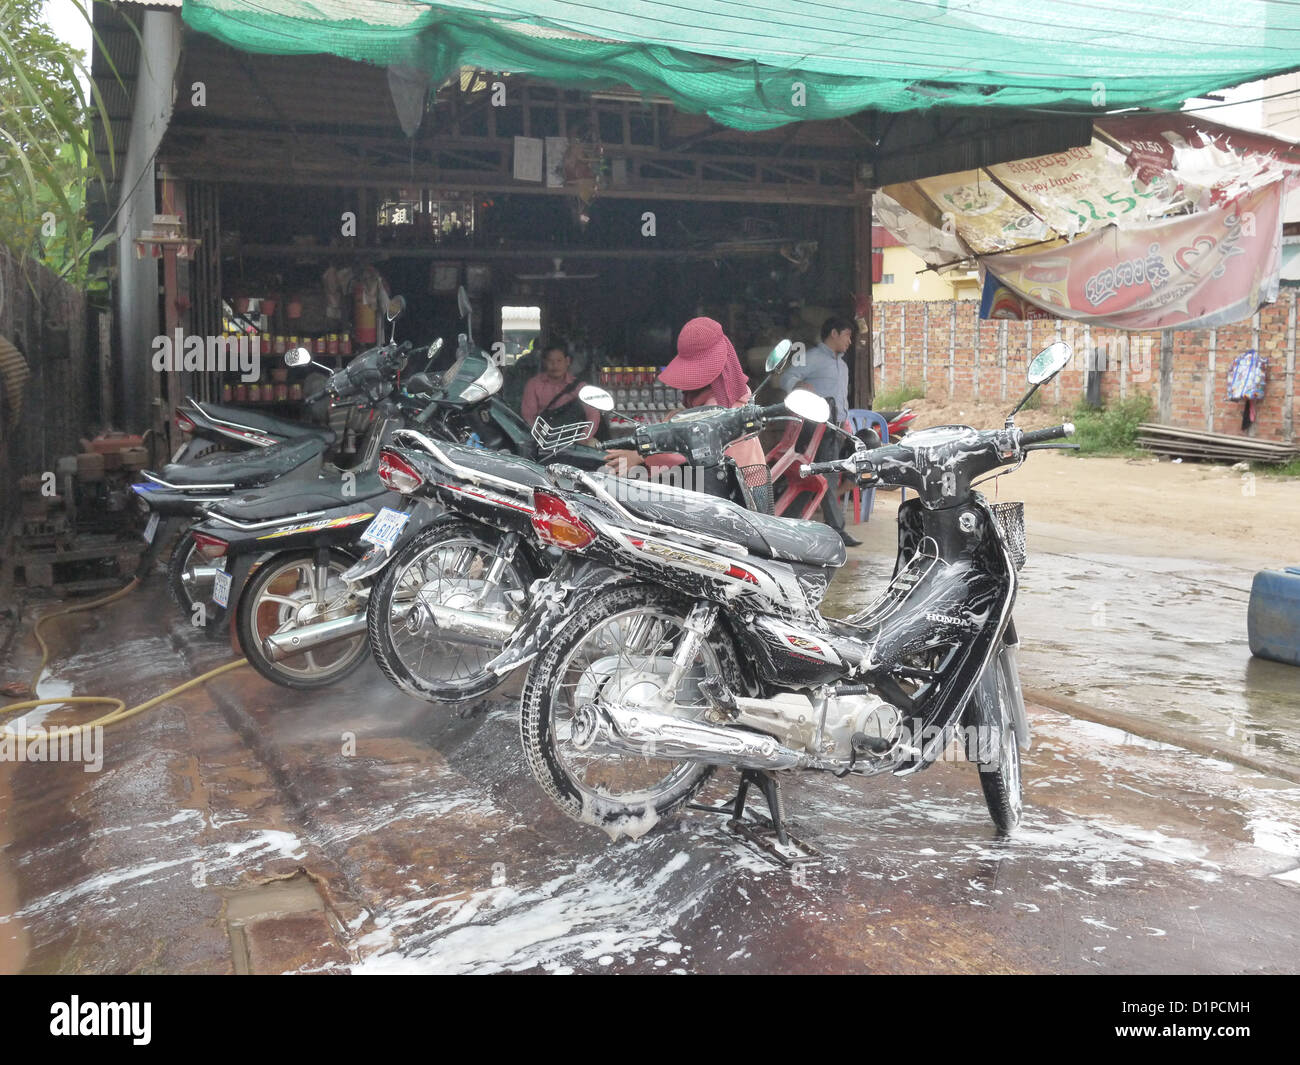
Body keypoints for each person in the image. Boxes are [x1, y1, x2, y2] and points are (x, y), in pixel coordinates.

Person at [605, 316, 766, 484]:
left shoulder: (721, 407)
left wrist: (640, 455)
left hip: (734, 495)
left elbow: (692, 442)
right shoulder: (734, 394)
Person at [779, 315, 860, 547]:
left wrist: (847, 425)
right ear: (833, 333)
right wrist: (801, 387)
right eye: (847, 335)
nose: (849, 341)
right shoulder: (813, 358)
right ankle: (835, 530)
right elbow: (787, 378)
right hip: (816, 428)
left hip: (839, 428)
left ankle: (792, 521)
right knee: (824, 477)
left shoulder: (842, 365)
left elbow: (841, 400)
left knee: (829, 476)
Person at [521, 341, 599, 440]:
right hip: (542, 440)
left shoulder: (580, 387)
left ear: (567, 361)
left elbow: (593, 416)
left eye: (559, 361)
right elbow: (528, 416)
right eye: (550, 361)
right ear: (544, 362)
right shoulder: (534, 384)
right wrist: (542, 438)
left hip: (576, 440)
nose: (555, 365)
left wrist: (583, 438)